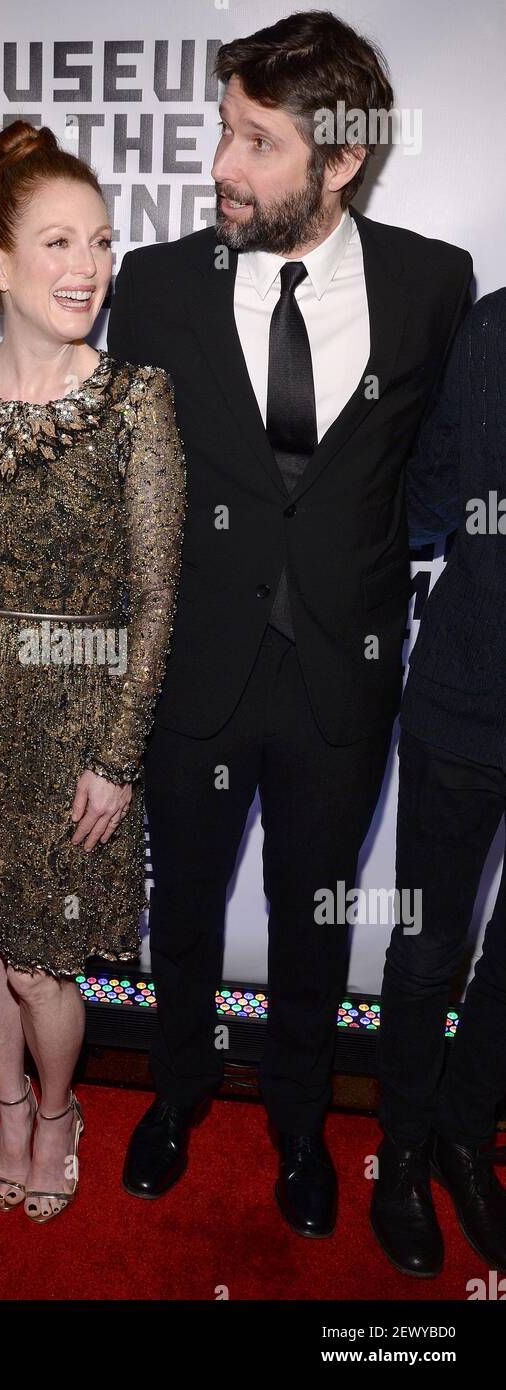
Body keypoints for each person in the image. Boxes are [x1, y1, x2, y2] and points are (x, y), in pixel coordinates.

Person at [107, 10, 473, 1236]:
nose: (224, 165)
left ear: (339, 160)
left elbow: (422, 473)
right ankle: (173, 1094)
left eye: (258, 142)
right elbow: (124, 483)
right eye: (224, 131)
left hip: (341, 676)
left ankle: (301, 1128)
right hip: (196, 670)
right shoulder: (154, 289)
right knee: (189, 908)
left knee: (315, 921)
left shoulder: (431, 285)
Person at [0, 120, 186, 1223]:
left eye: (102, 242)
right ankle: (9, 1108)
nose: (88, 268)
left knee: (44, 967)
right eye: (60, 242)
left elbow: (158, 592)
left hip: (80, 715)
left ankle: (59, 1111)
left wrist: (117, 758)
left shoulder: (134, 399)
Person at [371, 290, 506, 1279]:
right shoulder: (490, 326)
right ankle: (402, 1159)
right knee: (425, 946)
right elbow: (430, 502)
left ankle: (464, 1139)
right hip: (465, 690)